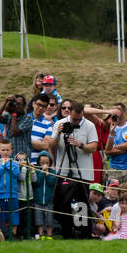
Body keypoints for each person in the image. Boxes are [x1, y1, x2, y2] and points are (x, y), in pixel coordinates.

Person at [45, 100, 97, 239]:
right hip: (64, 170)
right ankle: (67, 233)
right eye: (74, 119)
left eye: (79, 119)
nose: (76, 121)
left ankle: (83, 233)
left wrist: (80, 145)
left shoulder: (89, 125)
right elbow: (52, 146)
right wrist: (57, 134)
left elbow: (93, 147)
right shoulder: (59, 123)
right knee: (64, 203)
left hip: (83, 172)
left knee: (82, 204)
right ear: (69, 112)